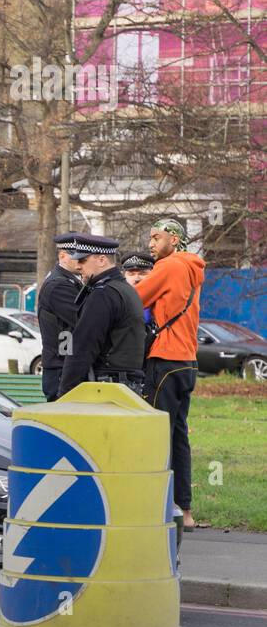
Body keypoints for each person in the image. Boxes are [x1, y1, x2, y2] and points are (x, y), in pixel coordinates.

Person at [135, 219, 205, 533]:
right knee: (178, 437)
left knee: (156, 435)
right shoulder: (192, 267)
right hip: (188, 362)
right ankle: (185, 510)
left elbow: (133, 299)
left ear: (173, 239)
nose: (150, 244)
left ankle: (155, 506)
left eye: (156, 237)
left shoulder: (168, 266)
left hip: (164, 359)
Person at [57, 234, 146, 398]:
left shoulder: (103, 294)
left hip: (106, 387)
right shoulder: (126, 290)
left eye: (83, 260)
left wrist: (64, 394)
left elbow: (83, 346)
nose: (78, 267)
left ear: (102, 260)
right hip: (128, 386)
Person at [36, 232, 86, 401]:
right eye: (77, 258)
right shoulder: (59, 285)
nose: (81, 262)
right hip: (61, 366)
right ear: (63, 256)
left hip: (63, 364)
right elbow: (82, 319)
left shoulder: (68, 280)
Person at [121, 251, 155, 325]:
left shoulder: (160, 298)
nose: (137, 279)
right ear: (124, 276)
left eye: (143, 273)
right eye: (131, 274)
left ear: (152, 274)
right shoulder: (117, 300)